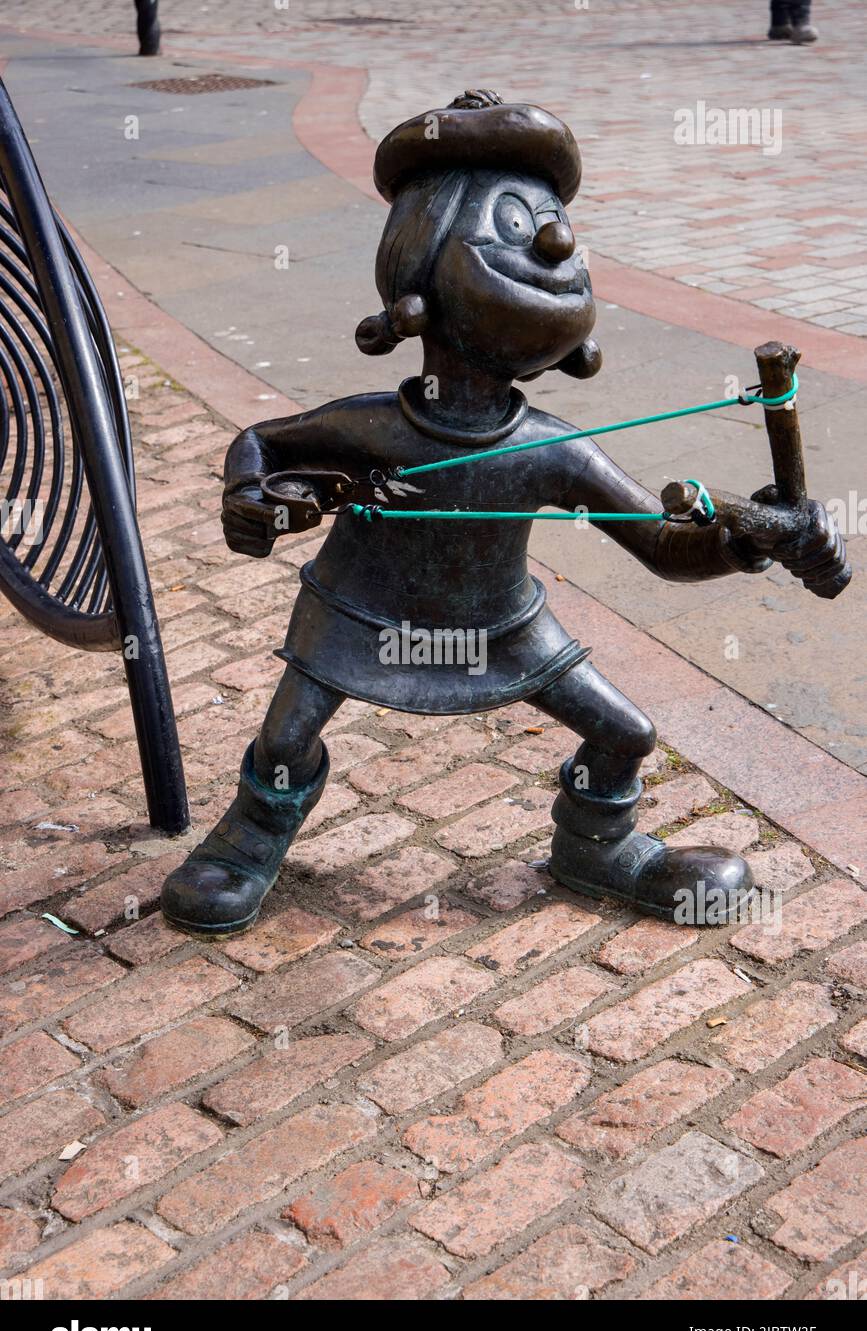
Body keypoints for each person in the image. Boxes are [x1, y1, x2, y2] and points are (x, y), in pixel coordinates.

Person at [160, 91, 845, 938]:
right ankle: (251, 835)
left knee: (625, 734)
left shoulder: (552, 448)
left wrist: (749, 538)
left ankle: (597, 846)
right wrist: (249, 500)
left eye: (552, 221)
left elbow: (666, 547)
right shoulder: (372, 428)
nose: (557, 241)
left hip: (502, 625)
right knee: (286, 740)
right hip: (354, 615)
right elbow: (261, 442)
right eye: (514, 224)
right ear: (417, 275)